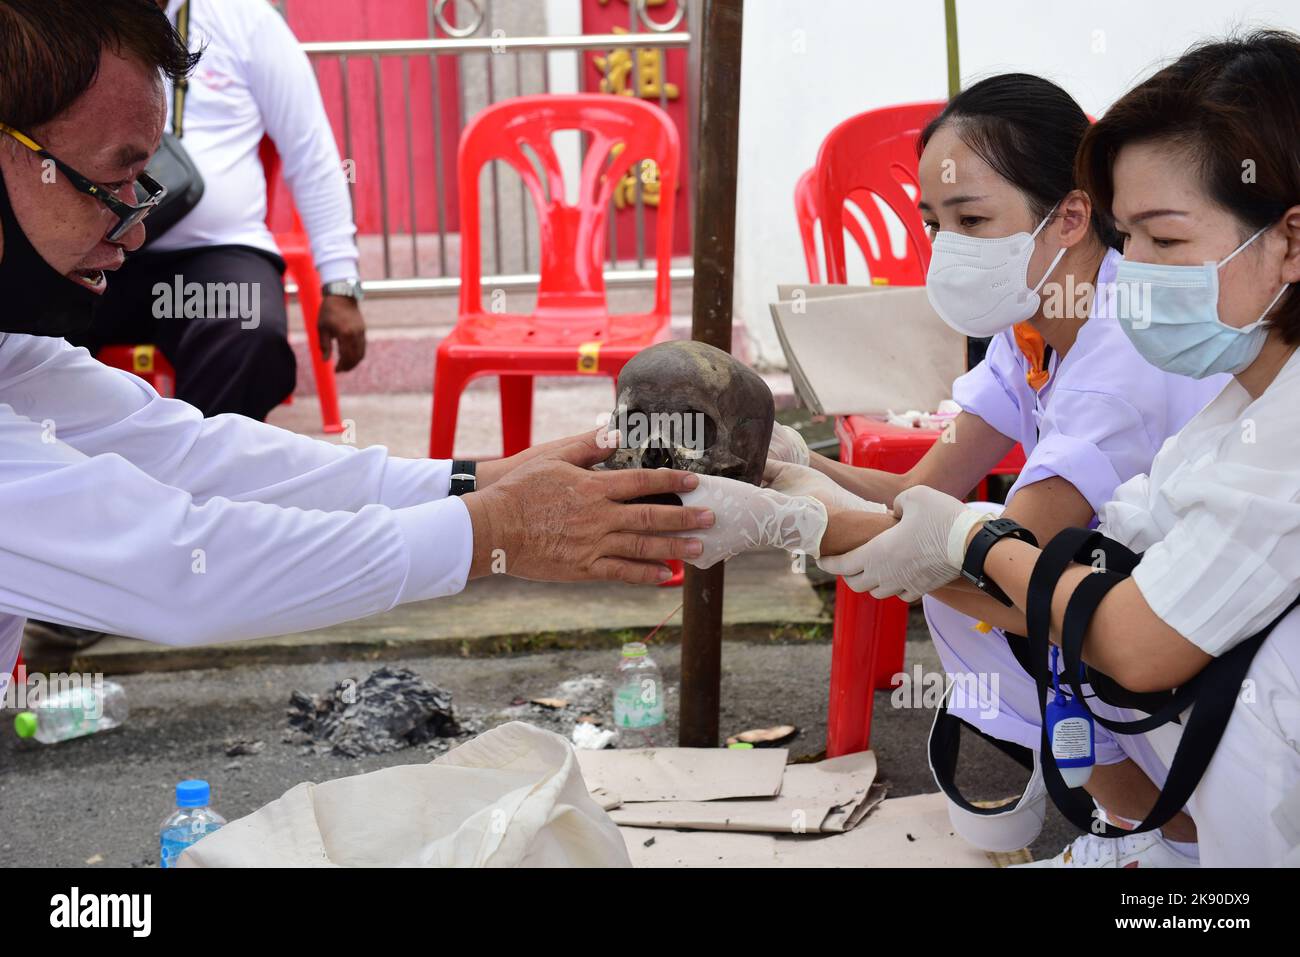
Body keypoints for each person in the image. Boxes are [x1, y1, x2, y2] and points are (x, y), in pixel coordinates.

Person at [0, 0, 756, 682]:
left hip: (221, 258)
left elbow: (198, 458)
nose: (137, 220)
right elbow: (183, 565)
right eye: (116, 179)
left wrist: (477, 480)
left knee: (244, 334)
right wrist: (497, 527)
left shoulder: (17, 356)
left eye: (148, 178)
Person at [800, 31, 1300, 867]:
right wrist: (791, 469)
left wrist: (812, 521)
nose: (1131, 269)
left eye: (1164, 240)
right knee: (1048, 584)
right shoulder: (1212, 396)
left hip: (1211, 698)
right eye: (1129, 236)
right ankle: (1159, 844)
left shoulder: (1149, 378)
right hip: (1160, 644)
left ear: (1289, 240)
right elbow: (947, 505)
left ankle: (1168, 851)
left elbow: (1122, 629)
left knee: (1090, 618)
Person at [68, 0, 364, 420]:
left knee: (247, 330)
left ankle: (201, 472)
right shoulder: (67, 17)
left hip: (209, 258)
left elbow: (310, 152)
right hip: (85, 248)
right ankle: (65, 469)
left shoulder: (245, 18)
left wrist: (340, 284)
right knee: (27, 322)